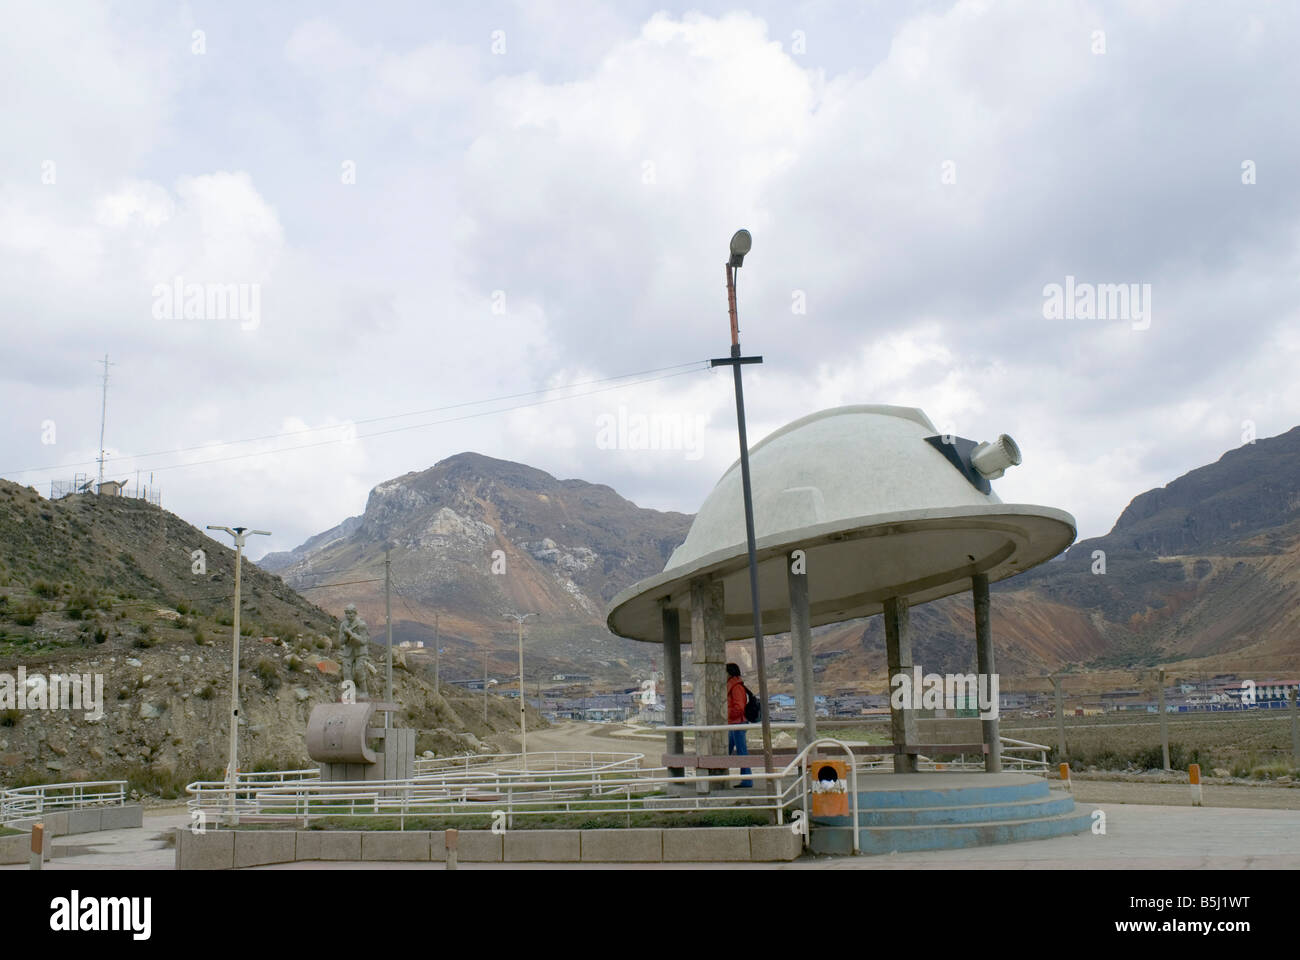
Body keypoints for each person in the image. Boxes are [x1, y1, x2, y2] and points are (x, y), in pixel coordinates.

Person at [726, 662, 753, 788]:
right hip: (734, 723)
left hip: (738, 722)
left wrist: (727, 714)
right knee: (727, 750)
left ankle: (747, 780)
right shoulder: (734, 685)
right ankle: (720, 776)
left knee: (741, 751)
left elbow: (739, 707)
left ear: (729, 673)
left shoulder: (735, 686)